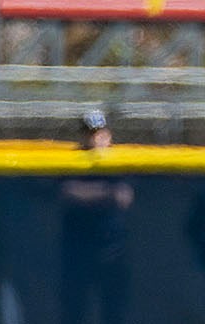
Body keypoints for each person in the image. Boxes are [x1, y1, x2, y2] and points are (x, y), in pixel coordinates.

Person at [59, 108, 134, 324]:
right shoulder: (72, 159)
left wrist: (89, 194)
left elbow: (124, 197)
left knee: (114, 312)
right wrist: (106, 194)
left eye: (100, 133)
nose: (96, 139)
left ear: (109, 135)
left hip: (113, 250)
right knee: (74, 311)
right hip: (77, 251)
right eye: (90, 134)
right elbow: (68, 193)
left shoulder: (119, 160)